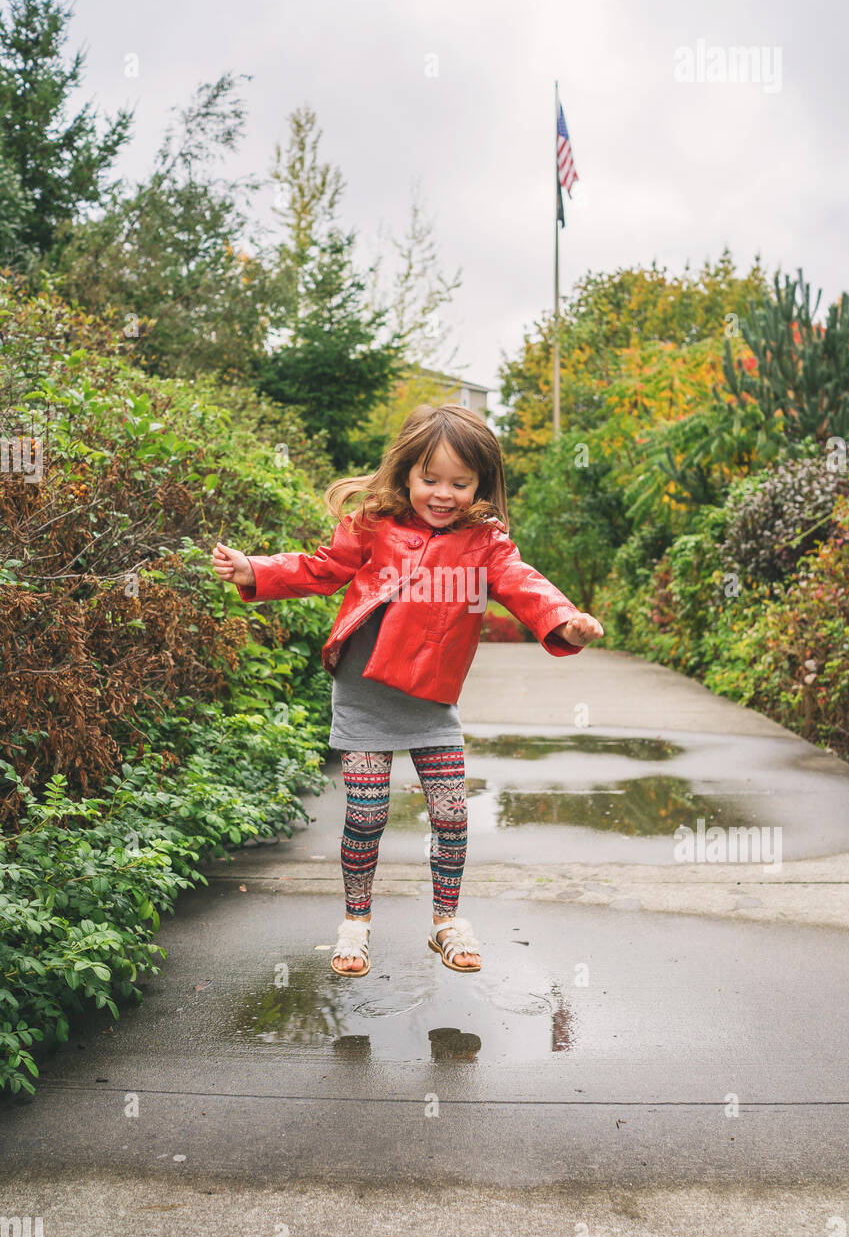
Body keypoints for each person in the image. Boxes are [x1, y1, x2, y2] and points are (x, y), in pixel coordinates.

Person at [211, 403, 603, 978]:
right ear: (407, 474)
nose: (443, 494)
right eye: (430, 480)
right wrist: (257, 570)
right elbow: (323, 568)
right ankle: (356, 924)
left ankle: (446, 922)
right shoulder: (373, 524)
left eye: (460, 483)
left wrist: (564, 621)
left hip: (430, 699)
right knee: (365, 815)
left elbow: (524, 585)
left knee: (452, 814)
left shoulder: (485, 542)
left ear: (482, 485)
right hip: (364, 692)